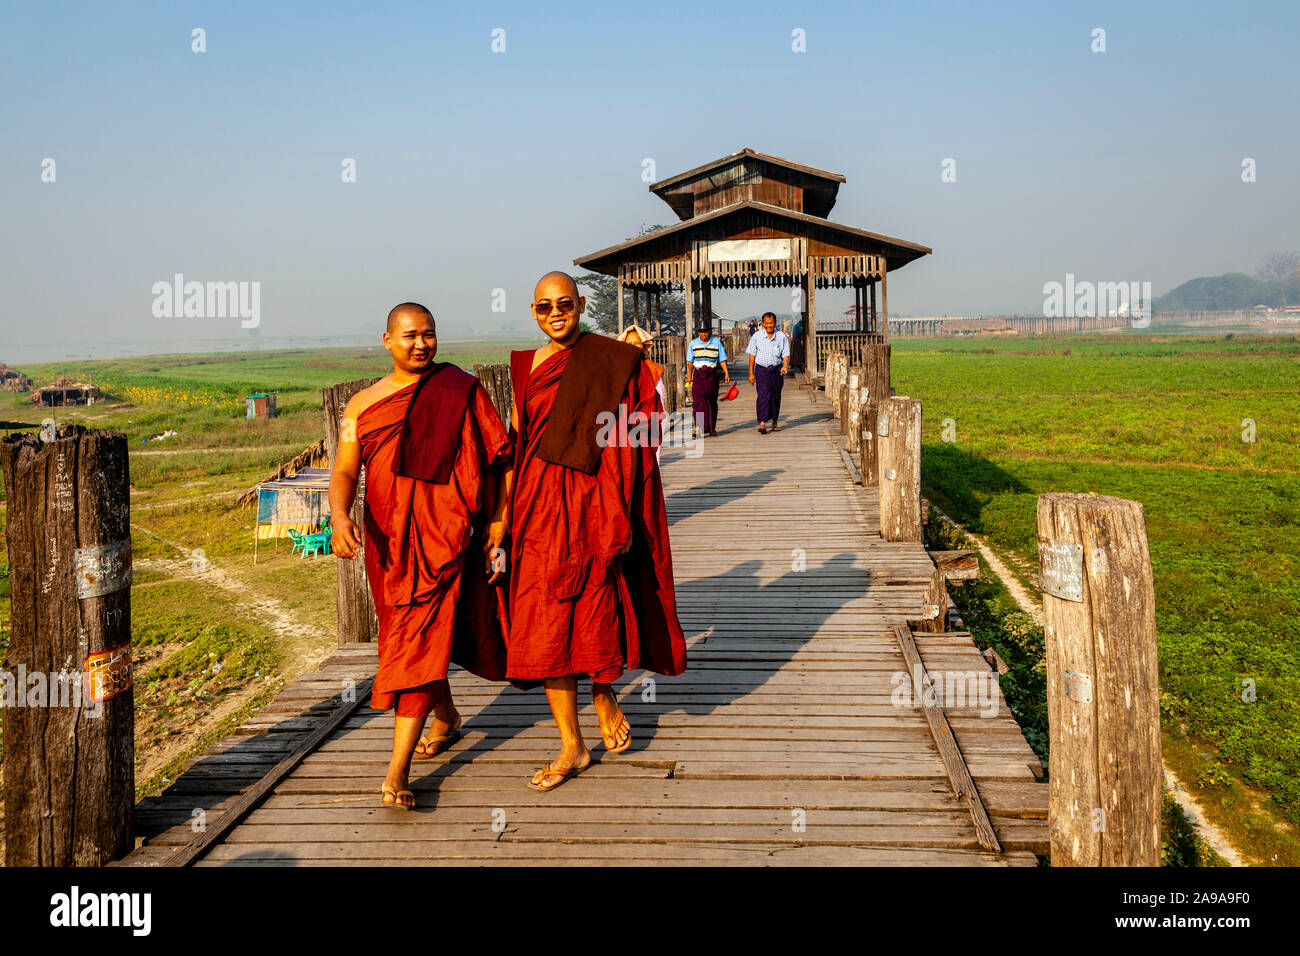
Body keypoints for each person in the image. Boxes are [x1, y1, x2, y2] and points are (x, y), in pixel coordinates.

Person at [505, 272, 687, 792]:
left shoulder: (611, 360)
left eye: (565, 303)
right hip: (538, 507)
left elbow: (639, 433)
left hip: (596, 500)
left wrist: (624, 508)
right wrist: (501, 521)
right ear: (533, 311)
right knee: (542, 617)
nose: (556, 312)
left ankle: (603, 691)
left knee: (595, 606)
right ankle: (572, 744)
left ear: (582, 304)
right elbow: (519, 440)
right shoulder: (527, 366)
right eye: (544, 307)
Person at [329, 302, 510, 810]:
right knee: (407, 637)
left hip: (445, 536)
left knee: (416, 640)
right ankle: (447, 716)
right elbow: (346, 470)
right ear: (386, 339)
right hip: (387, 540)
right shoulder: (360, 407)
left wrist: (498, 523)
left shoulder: (461, 390)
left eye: (429, 335)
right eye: (409, 336)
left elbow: (498, 460)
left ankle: (397, 769)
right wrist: (340, 517)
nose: (421, 344)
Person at [617, 324, 666, 462]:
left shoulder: (653, 370)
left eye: (637, 343)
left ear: (645, 347)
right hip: (623, 421)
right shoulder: (617, 370)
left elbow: (659, 400)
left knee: (648, 460)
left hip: (649, 421)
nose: (632, 346)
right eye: (629, 343)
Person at [746, 311, 791, 434]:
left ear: (775, 323)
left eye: (771, 323)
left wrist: (785, 366)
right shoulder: (757, 336)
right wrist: (751, 373)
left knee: (775, 396)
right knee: (763, 395)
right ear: (763, 323)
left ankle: (775, 421)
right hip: (761, 369)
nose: (769, 326)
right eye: (766, 323)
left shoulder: (782, 337)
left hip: (777, 370)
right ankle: (762, 422)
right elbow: (752, 355)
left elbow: (786, 354)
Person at [685, 323, 731, 437]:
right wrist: (689, 377)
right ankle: (699, 427)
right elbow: (690, 362)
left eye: (705, 332)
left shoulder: (716, 343)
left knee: (711, 400)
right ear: (698, 333)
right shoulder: (693, 344)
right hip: (698, 374)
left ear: (709, 332)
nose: (703, 334)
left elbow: (722, 359)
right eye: (701, 332)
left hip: (711, 374)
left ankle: (711, 427)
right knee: (699, 401)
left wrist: (726, 373)